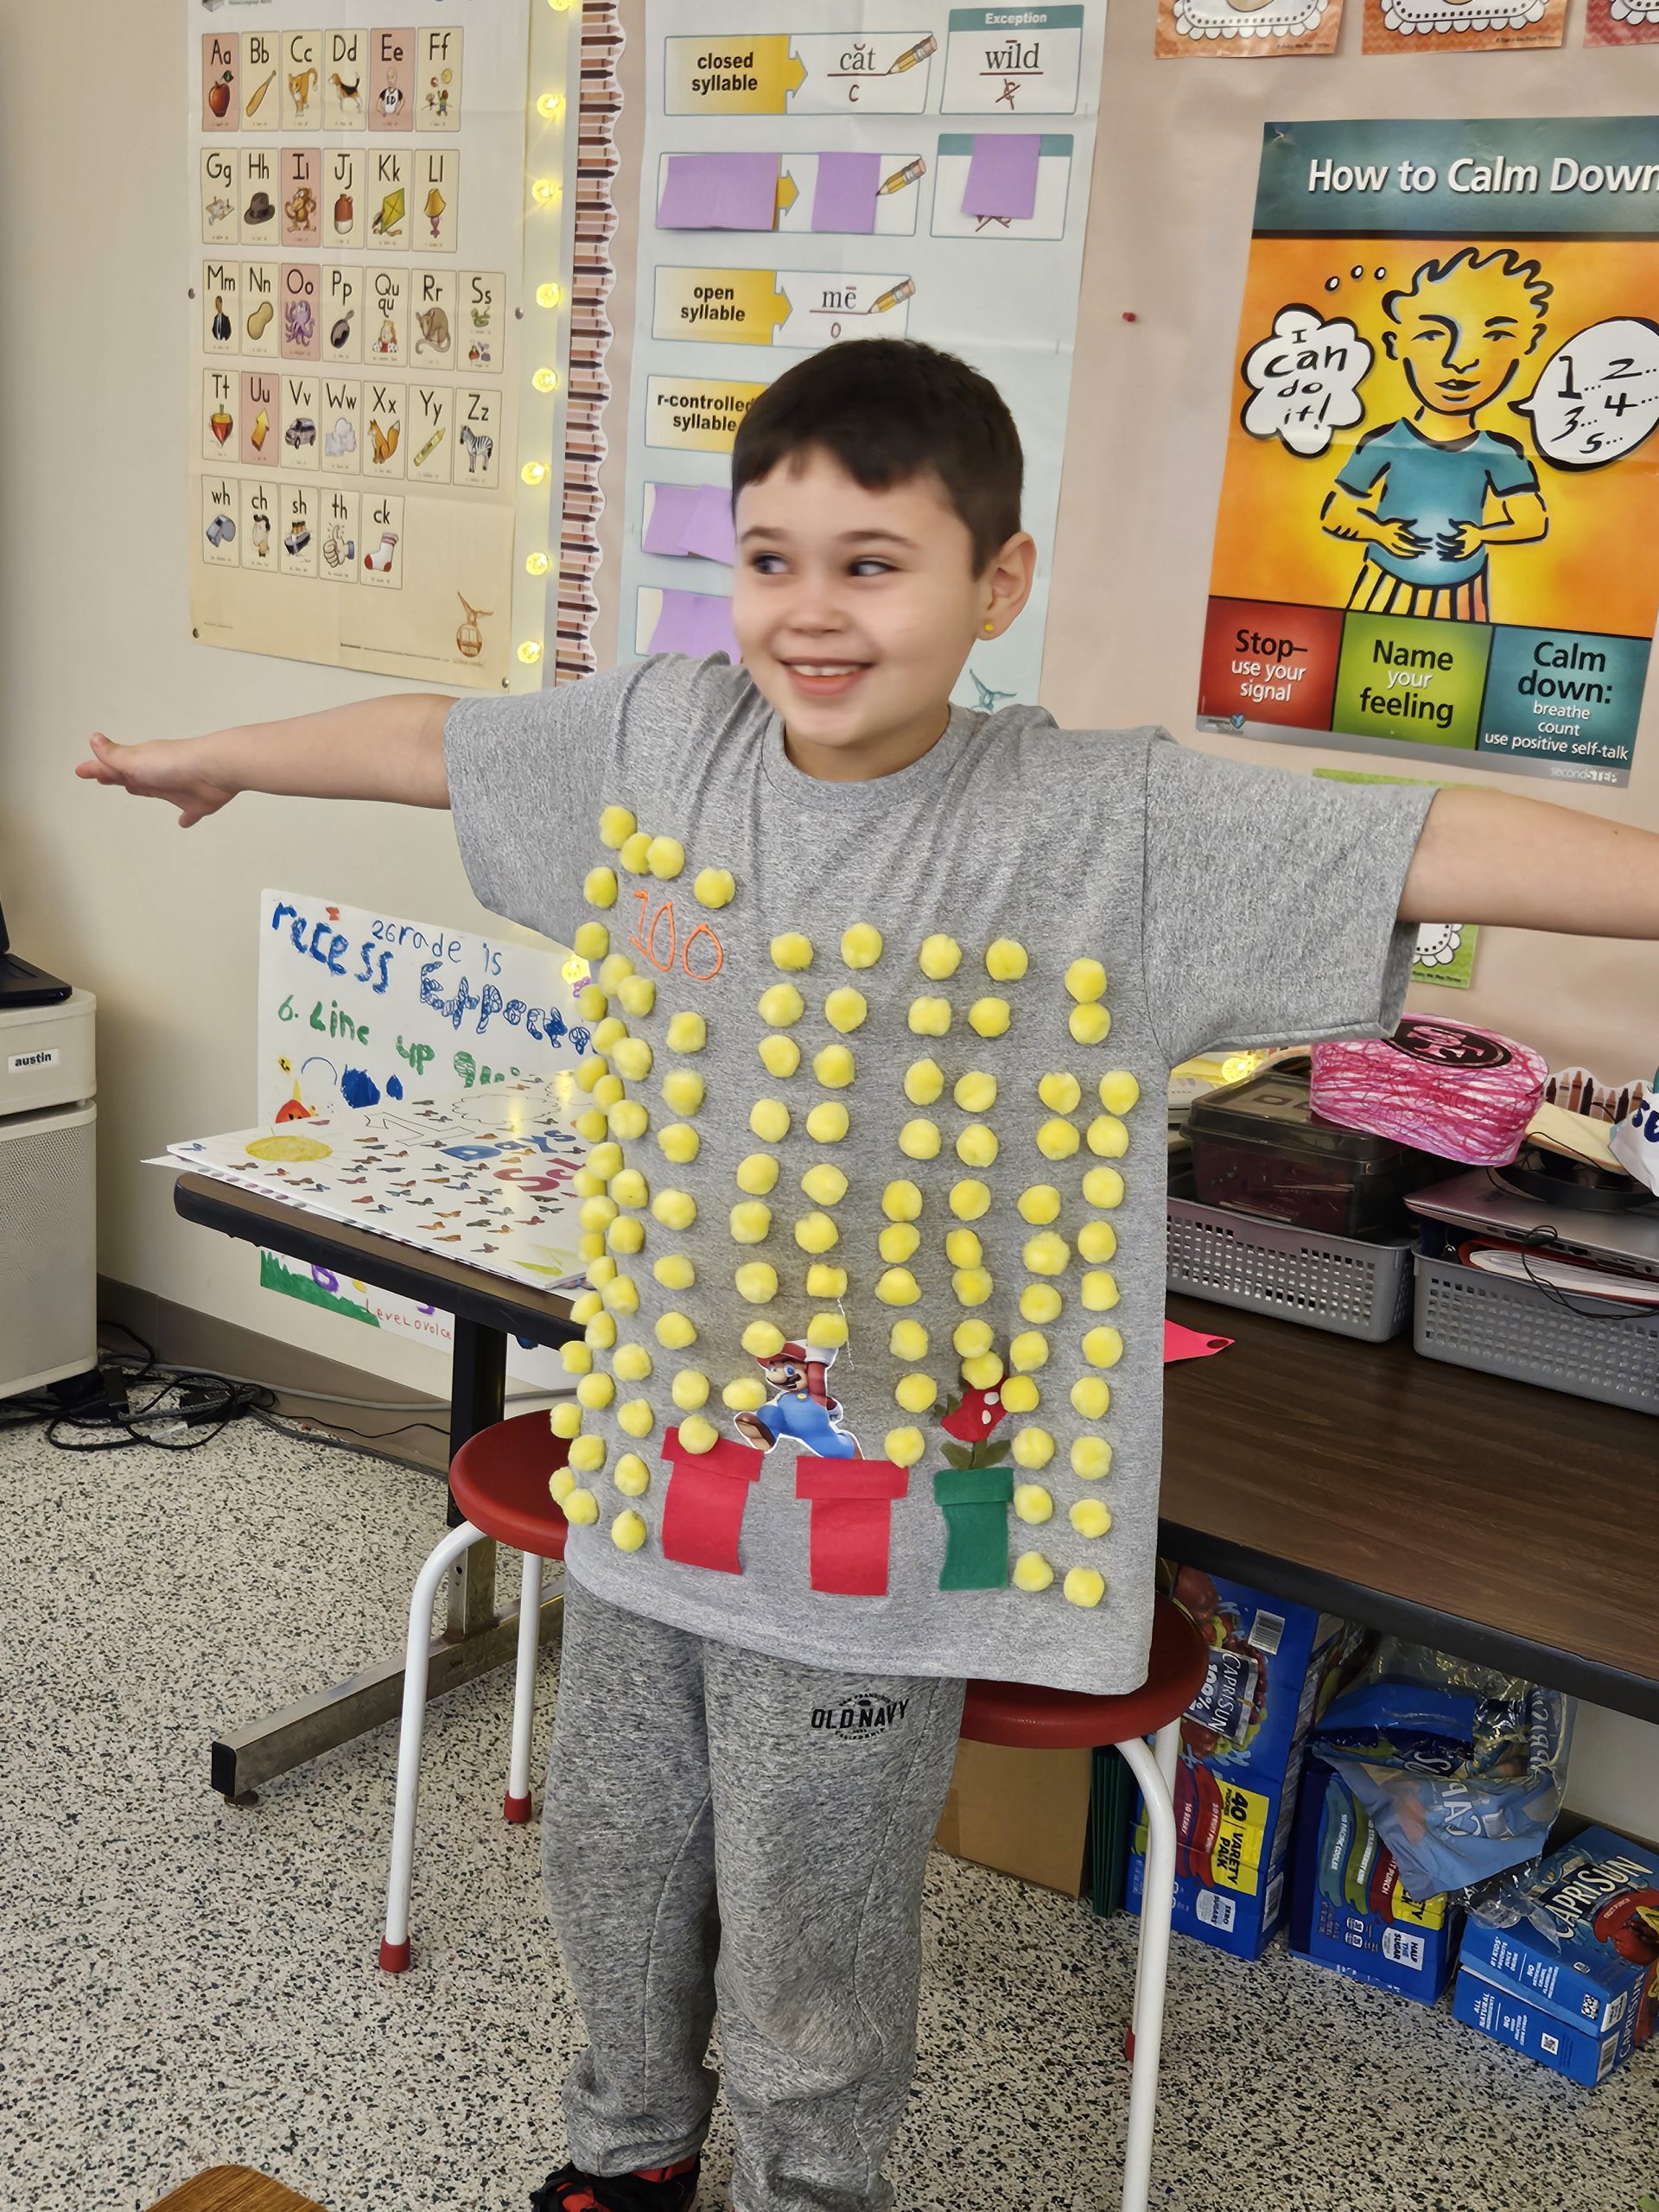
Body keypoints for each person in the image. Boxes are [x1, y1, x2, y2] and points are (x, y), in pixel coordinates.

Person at [79, 338, 1658, 2212]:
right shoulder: (668, 742)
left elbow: (1430, 841)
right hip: (655, 1486)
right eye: (770, 557)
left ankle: (809, 2189)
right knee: (612, 1858)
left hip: (892, 1544)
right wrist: (216, 763)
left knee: (812, 1929)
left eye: (872, 561)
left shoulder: (1106, 827)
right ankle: (625, 2155)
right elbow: (436, 738)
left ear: (997, 582)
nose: (810, 613)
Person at [1319, 245, 1551, 622]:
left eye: (1495, 337)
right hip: (1384, 585)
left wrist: (1482, 535)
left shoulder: (1502, 452)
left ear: (1524, 347)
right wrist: (1378, 532)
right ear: (1398, 344)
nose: (1460, 360)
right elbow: (1336, 512)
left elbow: (1532, 521)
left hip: (1463, 594)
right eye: (1432, 334)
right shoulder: (1384, 442)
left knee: (1460, 666)